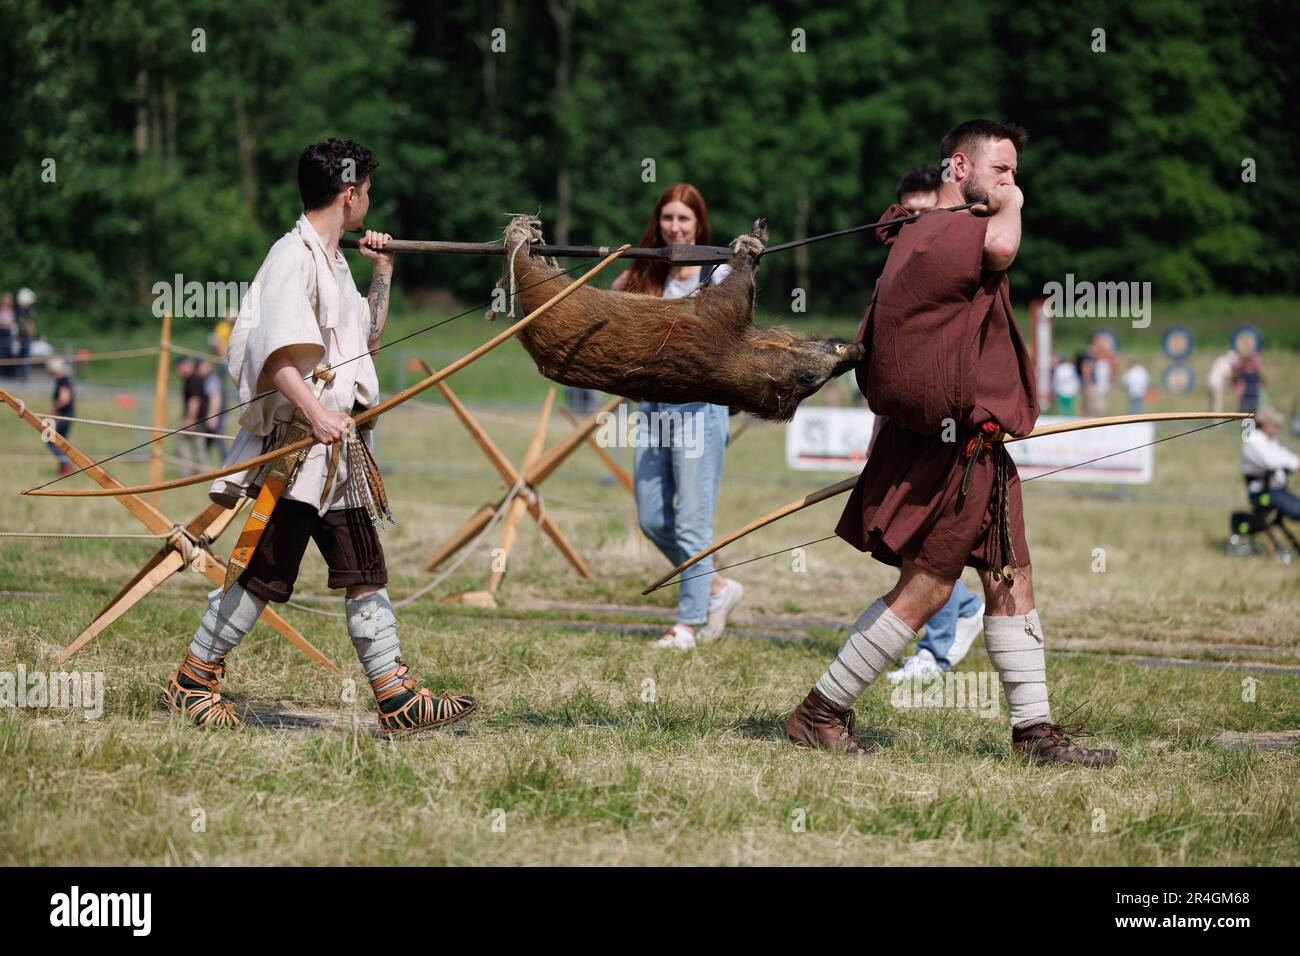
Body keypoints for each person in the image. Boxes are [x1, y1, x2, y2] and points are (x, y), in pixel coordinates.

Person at [784, 120, 1114, 766]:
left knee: (1008, 576)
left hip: (976, 450)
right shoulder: (946, 230)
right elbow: (1001, 248)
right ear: (958, 170)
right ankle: (821, 711)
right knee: (930, 587)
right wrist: (1011, 206)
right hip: (957, 452)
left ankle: (1033, 732)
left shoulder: (928, 230)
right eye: (1003, 171)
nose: (1012, 184)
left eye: (1014, 174)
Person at [160, 138, 475, 734]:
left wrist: (383, 271)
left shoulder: (334, 263)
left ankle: (395, 697)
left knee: (364, 569)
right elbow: (275, 355)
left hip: (339, 455)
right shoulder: (292, 257)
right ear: (350, 194)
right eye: (368, 192)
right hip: (300, 454)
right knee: (263, 573)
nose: (369, 204)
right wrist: (318, 414)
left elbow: (367, 343)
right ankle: (193, 679)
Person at [612, 183, 744, 650]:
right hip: (653, 411)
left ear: (699, 224)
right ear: (658, 222)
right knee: (651, 518)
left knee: (692, 524)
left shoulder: (720, 272)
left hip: (699, 413)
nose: (675, 226)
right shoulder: (646, 272)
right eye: (668, 218)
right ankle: (716, 587)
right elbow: (617, 315)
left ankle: (687, 624)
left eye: (684, 219)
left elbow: (735, 334)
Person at [1242, 407, 1300, 520]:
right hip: (1263, 492)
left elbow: (1285, 455)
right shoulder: (1253, 441)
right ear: (1264, 424)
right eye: (1274, 424)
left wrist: (1295, 462)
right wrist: (1293, 463)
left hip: (1276, 490)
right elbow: (1271, 462)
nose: (1277, 427)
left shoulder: (1269, 441)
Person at [46, 357, 76, 476]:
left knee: (51, 440)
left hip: (63, 415)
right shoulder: (66, 379)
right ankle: (64, 466)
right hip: (66, 414)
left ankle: (66, 464)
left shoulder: (62, 380)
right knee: (60, 441)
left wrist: (53, 410)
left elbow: (64, 399)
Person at [1233, 349, 1264, 414]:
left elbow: (1261, 384)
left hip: (1254, 396)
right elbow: (1239, 386)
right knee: (1245, 415)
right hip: (1245, 398)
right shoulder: (1242, 373)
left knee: (1253, 415)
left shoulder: (1256, 372)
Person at [1207, 349, 1237, 413]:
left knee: (1212, 403)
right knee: (1217, 405)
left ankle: (1209, 419)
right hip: (1216, 385)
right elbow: (1228, 376)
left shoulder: (1220, 359)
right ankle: (1217, 421)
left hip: (1209, 383)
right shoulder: (1226, 363)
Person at [0, 292, 14, 380]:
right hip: (1, 332)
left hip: (8, 332)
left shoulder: (12, 310)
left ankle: (6, 373)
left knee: (8, 352)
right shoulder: (1, 310)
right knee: (2, 352)